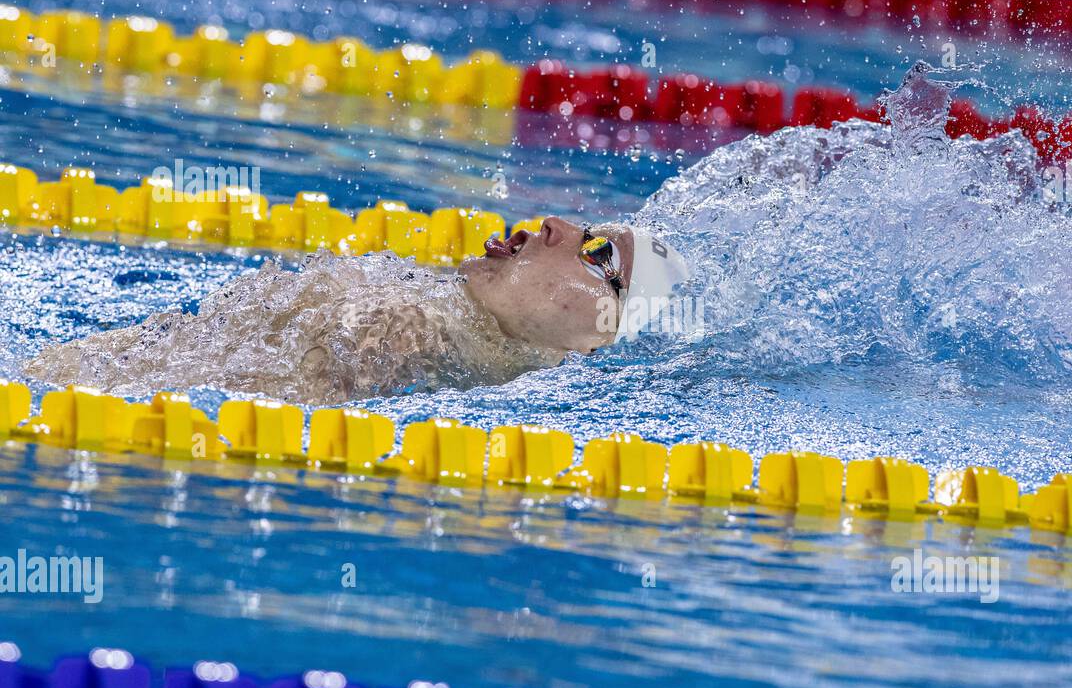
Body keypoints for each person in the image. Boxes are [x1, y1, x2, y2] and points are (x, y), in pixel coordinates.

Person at [24, 216, 691, 405]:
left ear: (599, 335)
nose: (556, 224)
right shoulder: (434, 323)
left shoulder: (414, 332)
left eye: (598, 250)